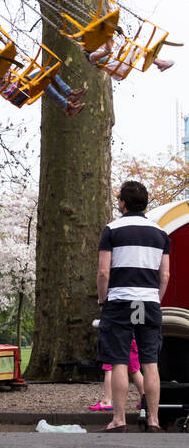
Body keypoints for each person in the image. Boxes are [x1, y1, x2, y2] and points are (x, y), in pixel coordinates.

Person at [96, 180, 171, 432]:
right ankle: (153, 420)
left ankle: (119, 420)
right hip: (147, 302)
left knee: (119, 360)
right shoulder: (160, 233)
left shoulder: (112, 230)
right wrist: (155, 298)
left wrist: (102, 298)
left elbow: (104, 272)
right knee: (150, 362)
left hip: (119, 301)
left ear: (123, 203)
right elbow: (165, 276)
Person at [0, 35, 86, 115]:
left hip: (20, 87)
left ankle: (69, 101)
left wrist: (2, 40)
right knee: (44, 77)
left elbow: (10, 51)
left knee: (45, 78)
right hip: (17, 92)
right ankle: (69, 100)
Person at [90, 339, 145, 412]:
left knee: (109, 367)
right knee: (135, 370)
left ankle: (106, 401)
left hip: (115, 335)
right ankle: (145, 399)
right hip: (132, 336)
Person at [89, 36, 174, 80]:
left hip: (118, 67)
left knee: (139, 49)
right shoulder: (92, 56)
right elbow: (107, 51)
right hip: (117, 69)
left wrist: (109, 35)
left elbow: (110, 44)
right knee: (137, 48)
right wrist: (107, 39)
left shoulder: (99, 49)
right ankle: (160, 63)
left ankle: (159, 63)